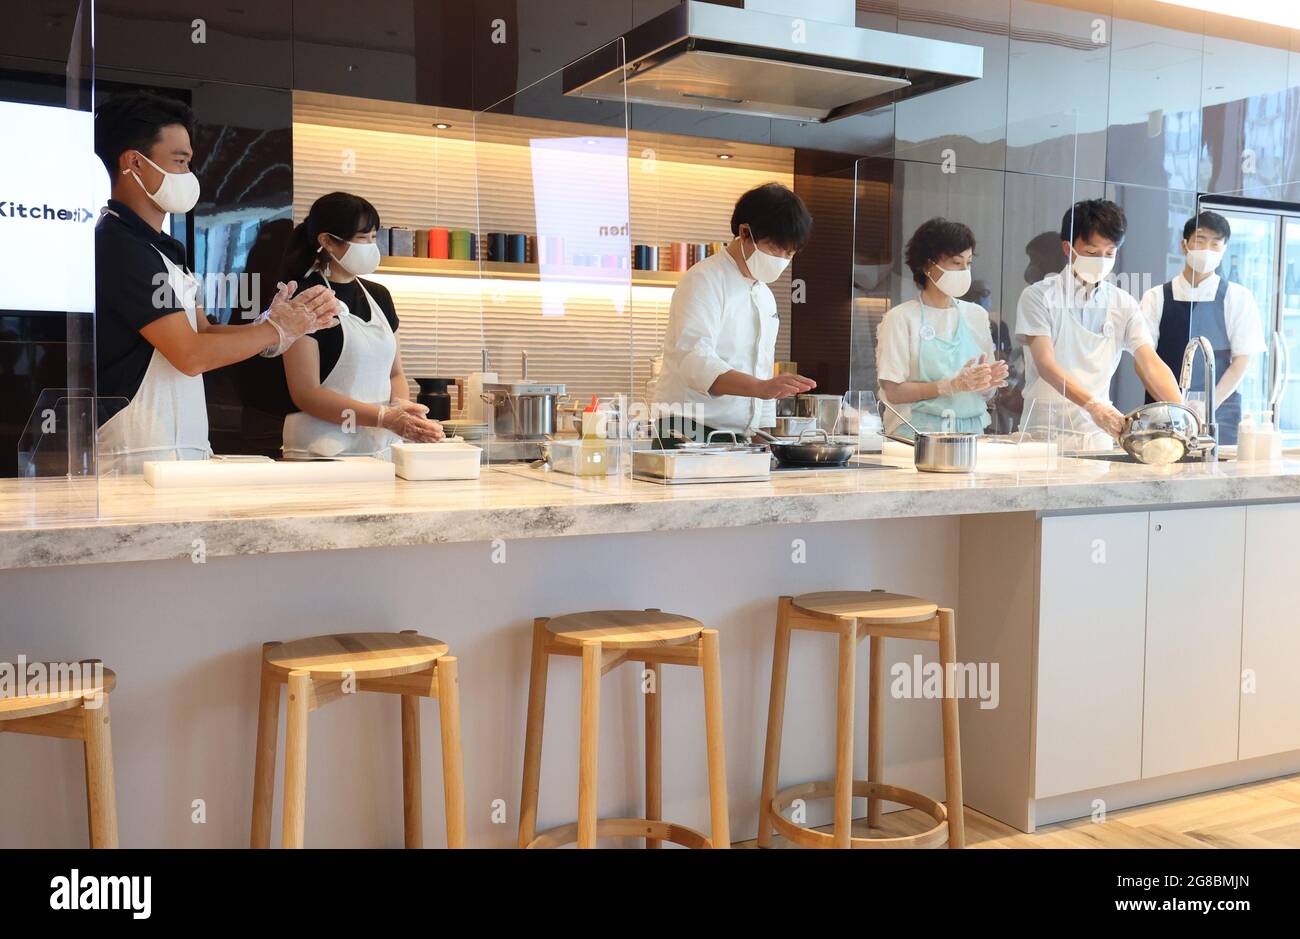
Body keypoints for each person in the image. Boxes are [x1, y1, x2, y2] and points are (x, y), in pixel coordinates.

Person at [93, 91, 336, 474]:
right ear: (134, 163)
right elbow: (190, 355)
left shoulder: (166, 249)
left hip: (180, 451)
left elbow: (203, 331)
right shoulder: (119, 245)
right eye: (179, 161)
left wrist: (271, 327)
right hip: (137, 454)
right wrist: (276, 330)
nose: (189, 175)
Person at [649, 182, 817, 444]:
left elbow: (762, 367)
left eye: (790, 253)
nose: (782, 259)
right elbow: (694, 358)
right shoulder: (704, 279)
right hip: (688, 430)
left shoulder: (765, 297)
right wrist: (761, 388)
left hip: (739, 437)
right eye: (775, 249)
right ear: (745, 232)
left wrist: (766, 440)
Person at [279, 192, 443, 459]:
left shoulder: (379, 296)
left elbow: (395, 373)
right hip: (320, 452)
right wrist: (382, 417)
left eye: (374, 237)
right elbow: (306, 393)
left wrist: (400, 407)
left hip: (379, 448)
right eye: (362, 238)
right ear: (327, 241)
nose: (371, 245)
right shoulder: (306, 298)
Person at [1015, 199, 1183, 450]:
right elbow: (1047, 366)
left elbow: (1150, 363)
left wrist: (1182, 415)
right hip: (1044, 436)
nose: (1101, 260)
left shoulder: (1122, 303)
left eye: (1109, 253)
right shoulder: (1039, 296)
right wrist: (1093, 405)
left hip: (1096, 435)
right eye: (1092, 253)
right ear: (1067, 248)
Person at [1139, 210, 1264, 444]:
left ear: (1224, 250)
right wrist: (1174, 403)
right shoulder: (1156, 297)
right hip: (1163, 413)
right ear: (1184, 245)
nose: (1208, 249)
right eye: (1201, 240)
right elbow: (1143, 361)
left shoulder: (1238, 297)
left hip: (1220, 415)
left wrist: (1209, 404)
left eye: (1216, 244)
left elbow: (1242, 360)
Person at [876, 218, 1008, 437]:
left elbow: (985, 393)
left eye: (969, 263)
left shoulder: (976, 315)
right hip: (915, 436)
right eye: (956, 263)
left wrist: (987, 383)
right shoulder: (900, 318)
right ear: (928, 265)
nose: (965, 270)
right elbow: (894, 392)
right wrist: (949, 386)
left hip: (970, 436)